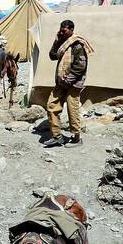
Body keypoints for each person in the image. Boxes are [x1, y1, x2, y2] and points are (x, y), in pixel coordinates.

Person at [43, 19, 93, 148]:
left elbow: (80, 66)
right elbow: (53, 55)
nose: (62, 32)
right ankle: (57, 137)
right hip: (61, 82)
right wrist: (57, 40)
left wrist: (68, 80)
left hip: (73, 83)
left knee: (73, 110)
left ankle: (76, 138)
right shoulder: (63, 43)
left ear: (71, 30)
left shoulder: (77, 44)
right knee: (51, 105)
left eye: (64, 31)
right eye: (61, 30)